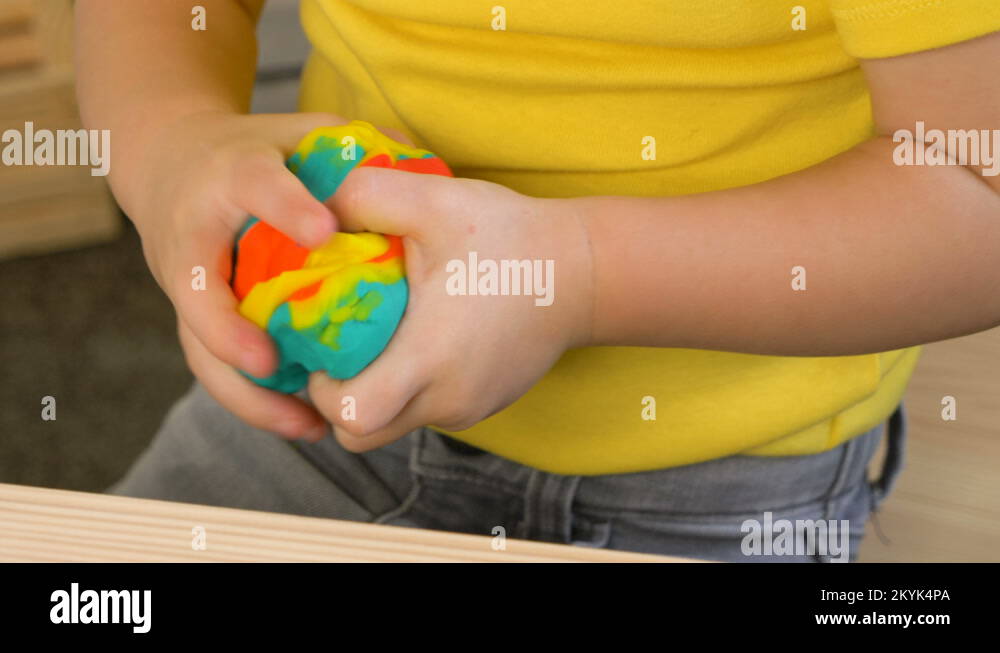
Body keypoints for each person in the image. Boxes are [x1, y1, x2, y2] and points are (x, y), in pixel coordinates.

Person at [74, 0, 1000, 561]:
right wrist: (169, 145)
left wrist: (579, 275)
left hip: (726, 484)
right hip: (319, 415)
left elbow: (976, 183)